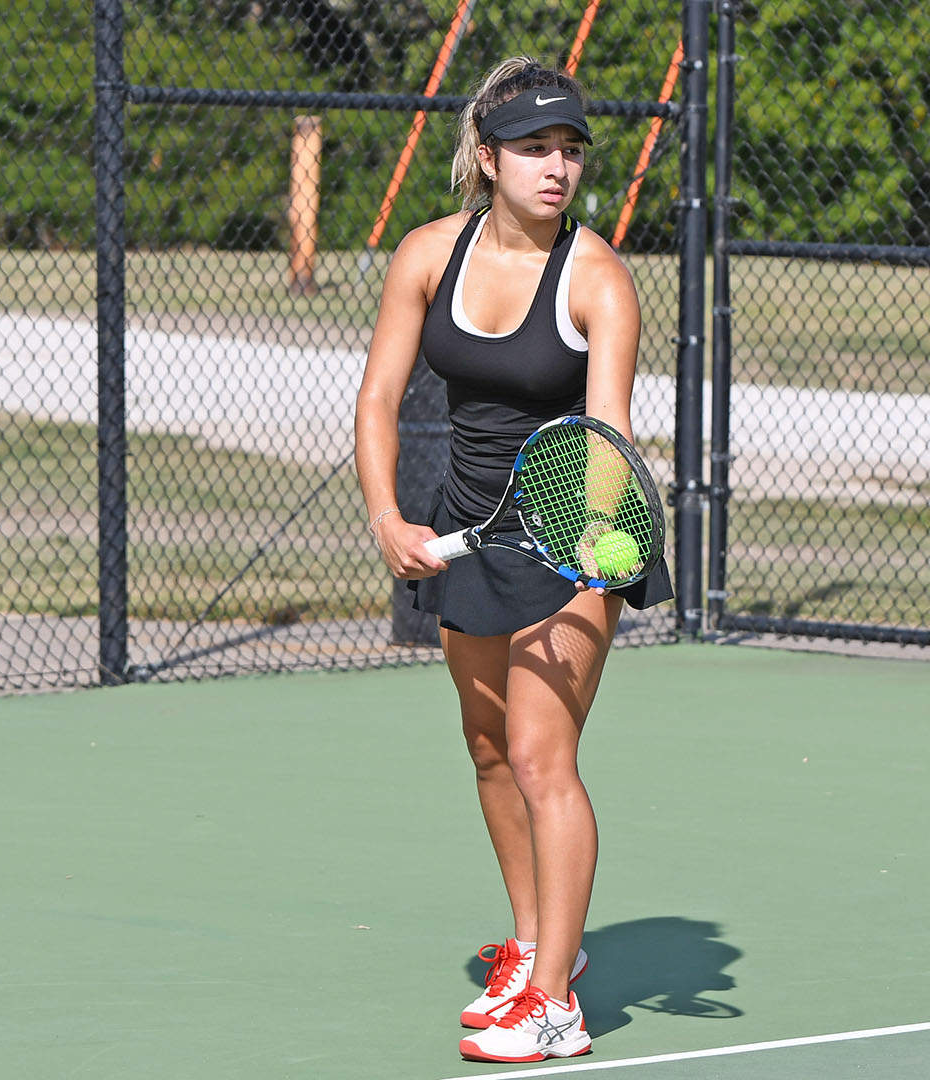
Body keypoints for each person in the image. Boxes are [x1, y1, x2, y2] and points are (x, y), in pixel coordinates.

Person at [353, 56, 673, 1063]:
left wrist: (595, 542)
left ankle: (554, 1008)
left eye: (572, 150)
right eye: (534, 149)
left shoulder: (599, 277)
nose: (557, 168)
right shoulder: (424, 256)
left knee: (543, 759)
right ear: (486, 159)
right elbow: (376, 399)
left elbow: (608, 431)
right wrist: (386, 519)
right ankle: (541, 946)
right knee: (488, 751)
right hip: (465, 528)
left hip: (578, 533)